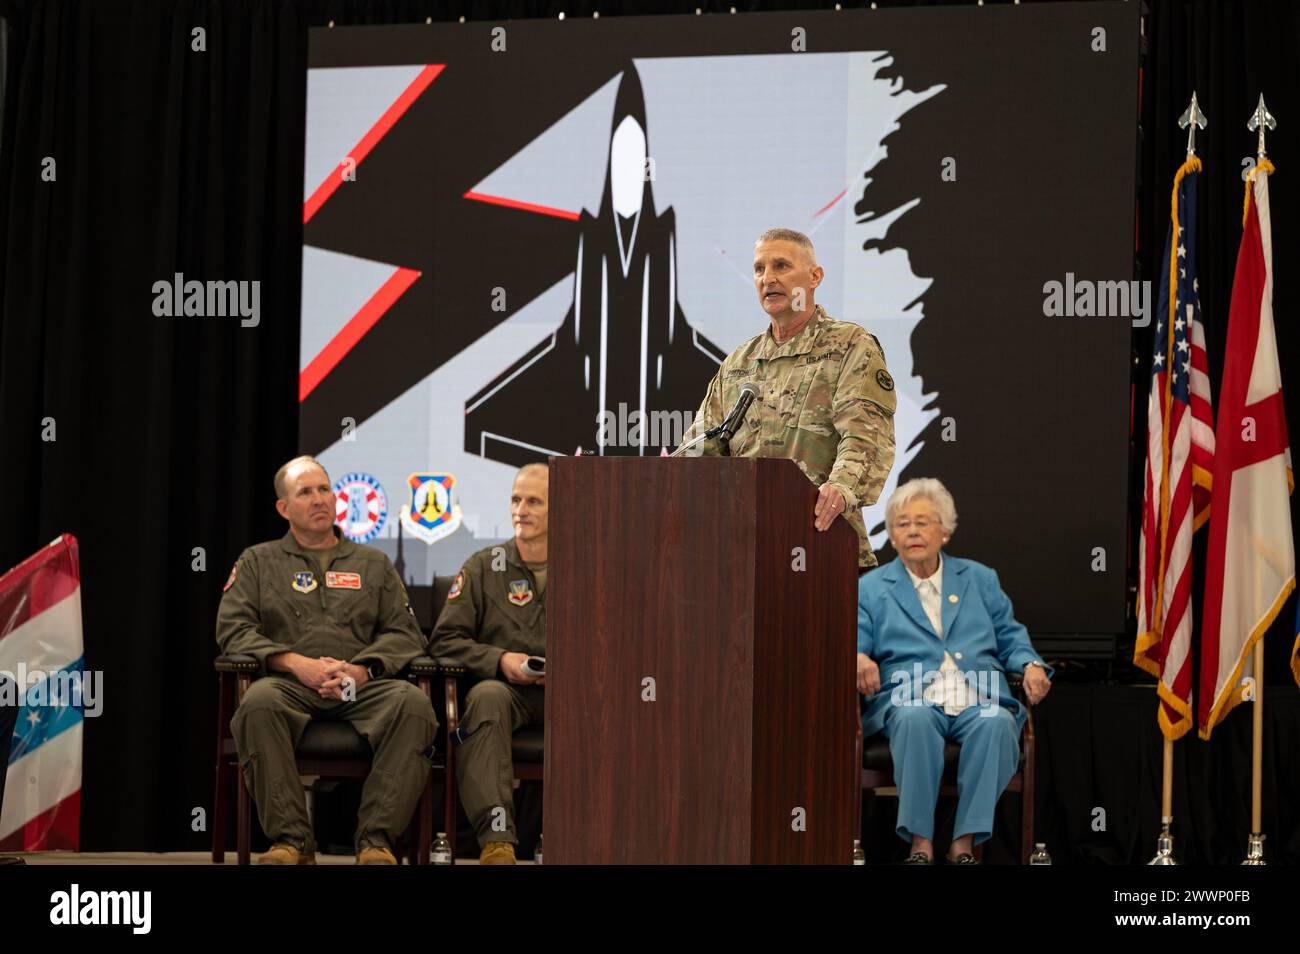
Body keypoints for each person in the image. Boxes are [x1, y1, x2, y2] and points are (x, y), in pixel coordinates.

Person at [216, 455, 436, 865]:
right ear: (284, 508)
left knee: (415, 705)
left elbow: (405, 634)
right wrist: (294, 663)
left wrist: (364, 669)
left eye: (324, 489)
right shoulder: (257, 562)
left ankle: (376, 841)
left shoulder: (373, 563)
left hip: (359, 687)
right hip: (290, 686)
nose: (319, 499)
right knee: (257, 704)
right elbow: (233, 630)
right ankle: (293, 841)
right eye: (305, 492)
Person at [857, 477, 1051, 864]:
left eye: (923, 522)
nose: (912, 530)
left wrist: (1030, 664)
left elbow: (1010, 636)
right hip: (907, 696)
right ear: (892, 536)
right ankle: (920, 843)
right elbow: (855, 640)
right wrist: (858, 657)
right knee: (914, 719)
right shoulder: (872, 588)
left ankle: (964, 843)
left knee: (997, 723)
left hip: (977, 694)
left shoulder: (980, 579)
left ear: (944, 531)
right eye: (902, 523)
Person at [678, 228, 896, 569]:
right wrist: (659, 485)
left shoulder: (850, 345)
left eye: (781, 266)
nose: (768, 278)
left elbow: (865, 434)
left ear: (815, 276)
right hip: (742, 553)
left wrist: (840, 488)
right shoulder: (739, 361)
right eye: (759, 269)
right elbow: (702, 446)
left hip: (822, 544)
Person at [430, 463, 548, 865]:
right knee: (485, 697)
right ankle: (497, 839)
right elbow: (445, 641)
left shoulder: (590, 565)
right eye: (516, 500)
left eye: (533, 501)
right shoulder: (484, 566)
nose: (521, 510)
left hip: (570, 694)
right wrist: (500, 660)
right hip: (507, 692)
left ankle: (595, 835)